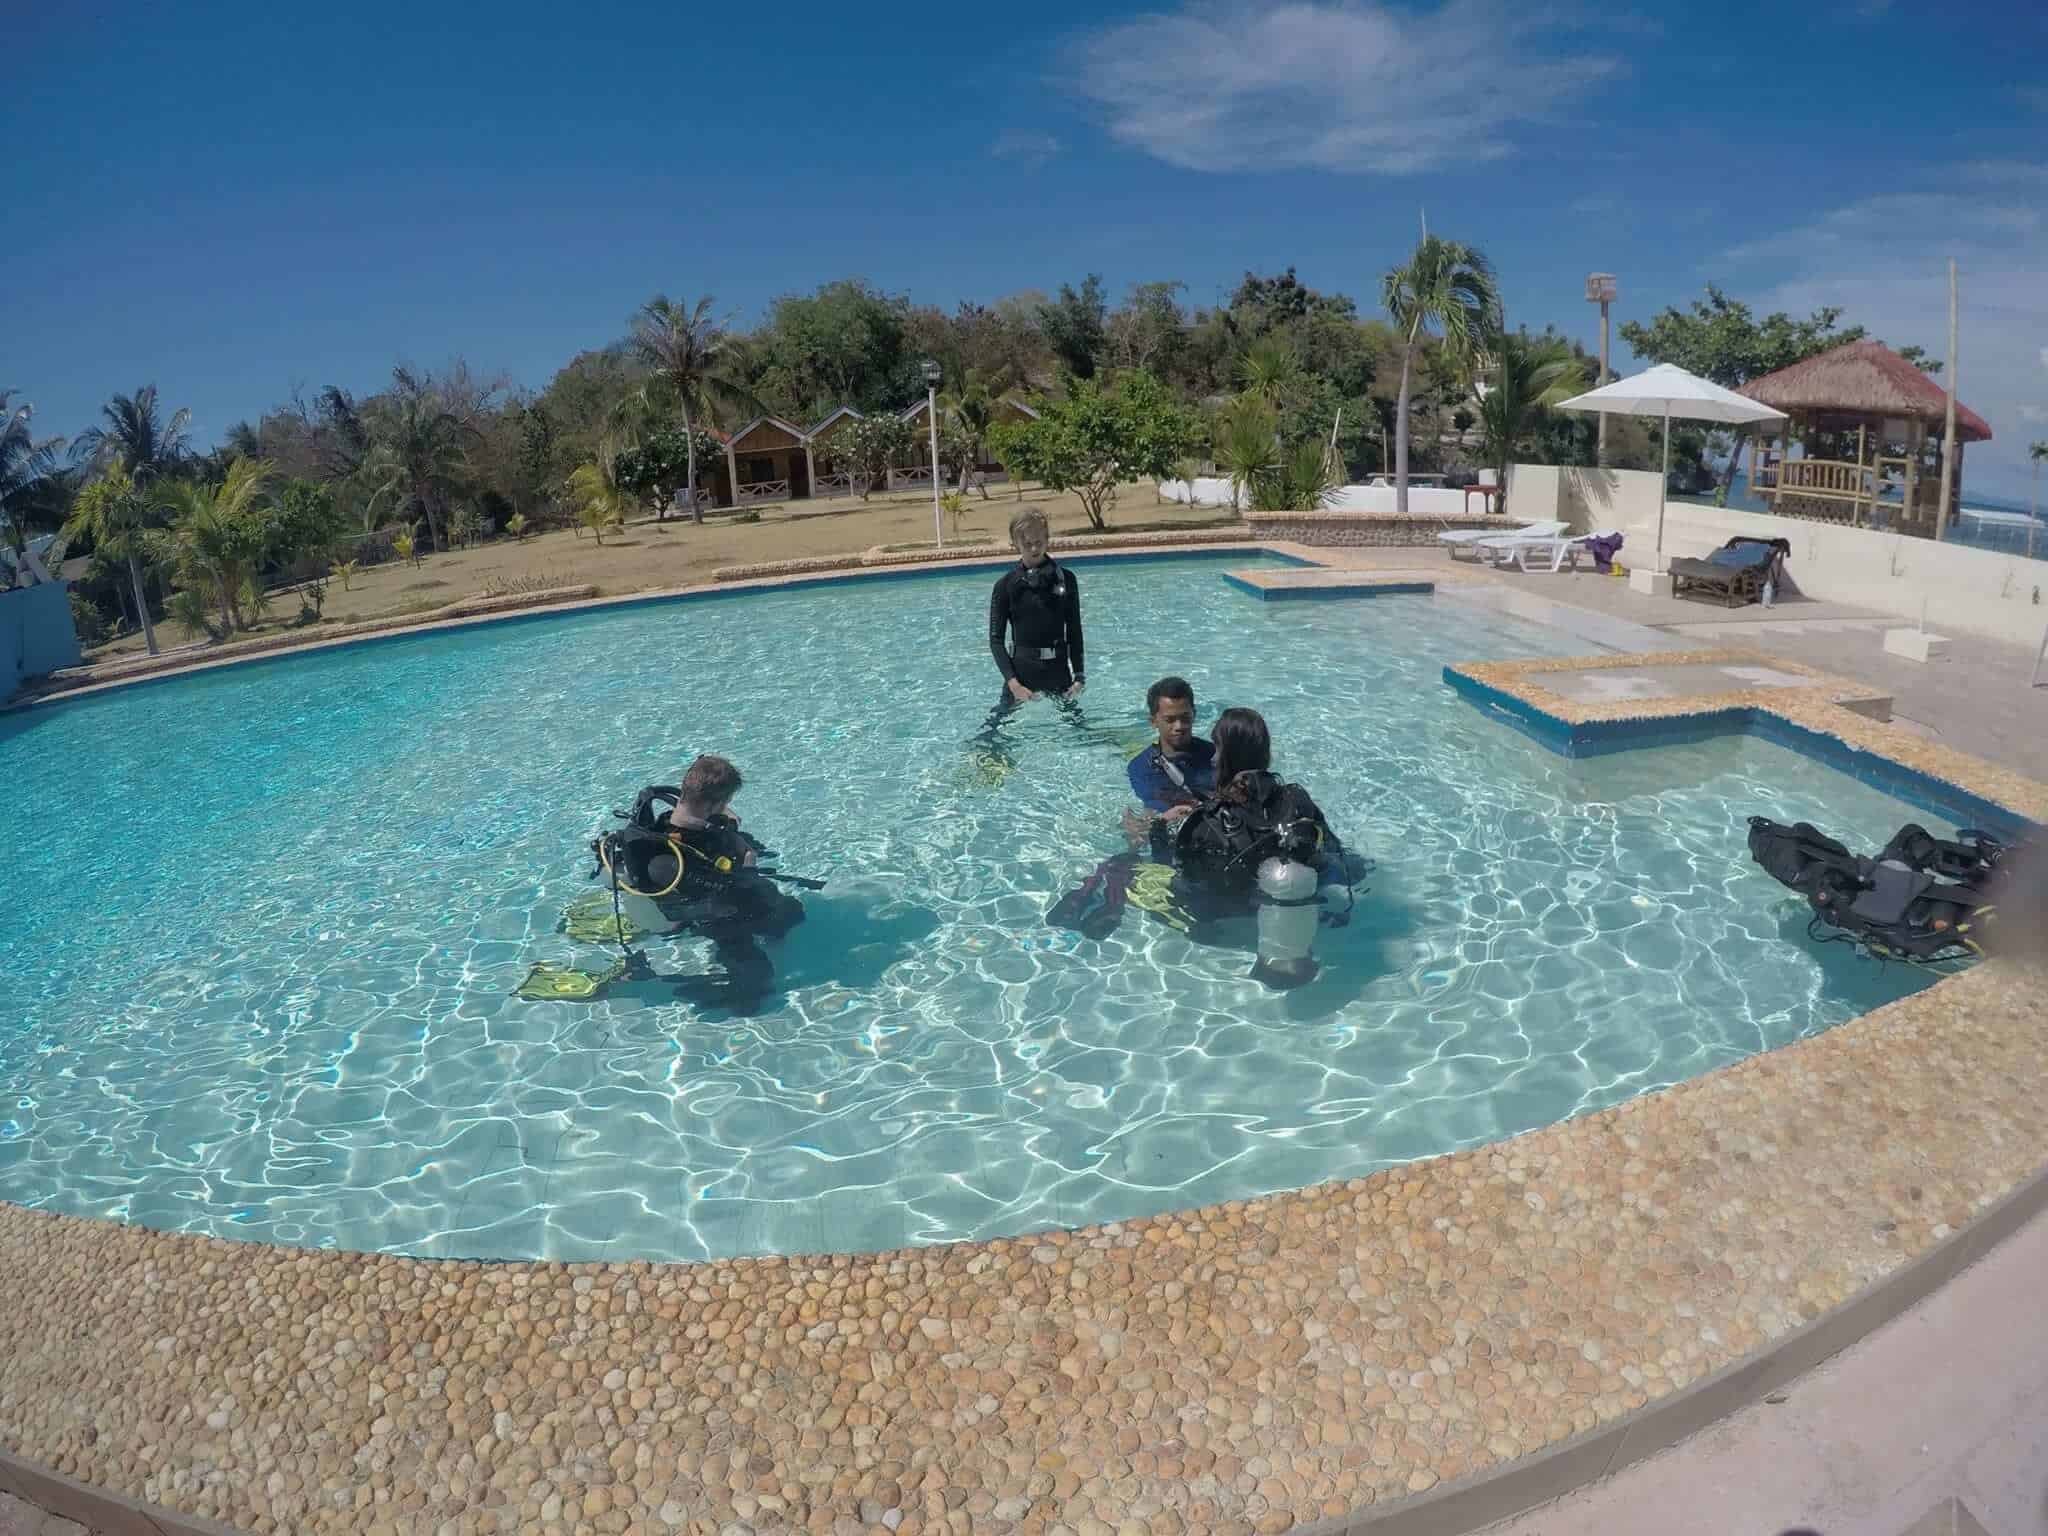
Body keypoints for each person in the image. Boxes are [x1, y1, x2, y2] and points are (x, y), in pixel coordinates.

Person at [1166, 708, 1360, 989]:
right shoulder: (1298, 801)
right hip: (1304, 907)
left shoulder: (1207, 821)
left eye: (1217, 749)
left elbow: (1187, 882)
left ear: (1227, 757)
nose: (1213, 757)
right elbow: (1332, 851)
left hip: (1234, 919)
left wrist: (1161, 832)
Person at [988, 508, 1084, 707]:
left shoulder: (1066, 579)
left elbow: (1074, 630)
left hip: (1057, 670)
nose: (1034, 549)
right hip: (1022, 672)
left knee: (1079, 729)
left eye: (1039, 543)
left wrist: (1079, 676)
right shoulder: (1005, 585)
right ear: (1016, 544)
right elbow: (996, 640)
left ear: (1047, 539)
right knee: (992, 730)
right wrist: (1014, 684)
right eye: (1027, 544)